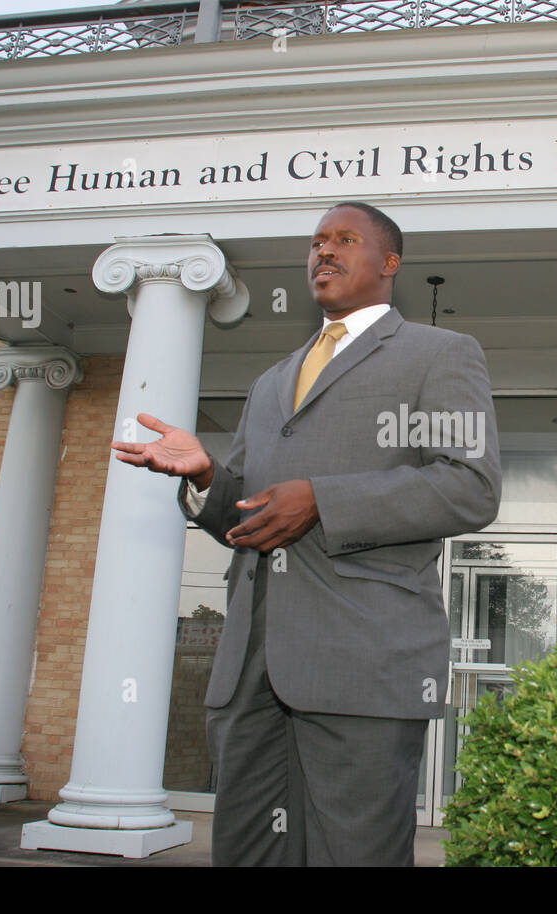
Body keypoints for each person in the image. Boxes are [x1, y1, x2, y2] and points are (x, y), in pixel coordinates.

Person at [109, 201, 501, 865]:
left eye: (345, 239)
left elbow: (470, 485)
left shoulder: (440, 354)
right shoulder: (271, 383)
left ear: (390, 263)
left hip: (364, 663)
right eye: (316, 242)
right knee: (247, 853)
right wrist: (206, 475)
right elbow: (251, 511)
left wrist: (323, 500)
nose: (323, 251)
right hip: (252, 668)